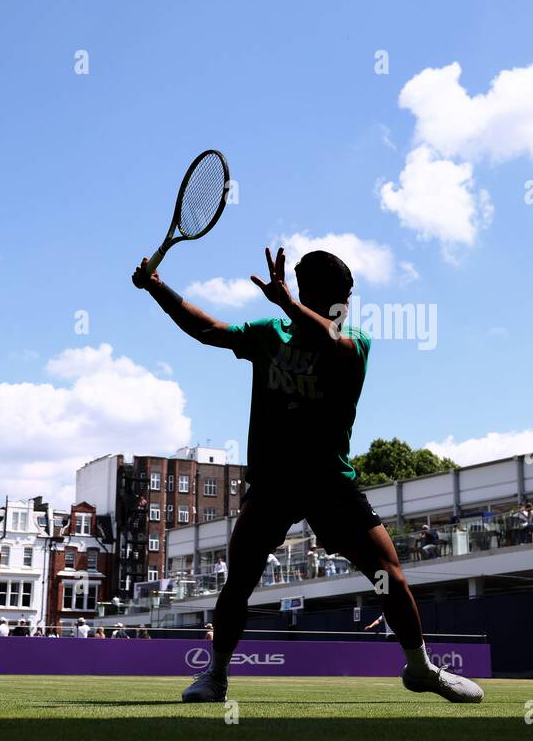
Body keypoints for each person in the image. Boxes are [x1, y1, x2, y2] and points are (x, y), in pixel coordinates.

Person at [133, 247, 481, 704]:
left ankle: (420, 669)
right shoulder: (268, 334)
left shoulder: (353, 342)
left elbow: (328, 341)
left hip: (329, 482)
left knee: (389, 577)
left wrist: (286, 305)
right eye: (342, 294)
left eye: (349, 294)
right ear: (317, 294)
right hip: (275, 483)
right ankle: (215, 676)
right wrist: (157, 287)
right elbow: (208, 330)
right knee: (239, 580)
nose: (349, 302)